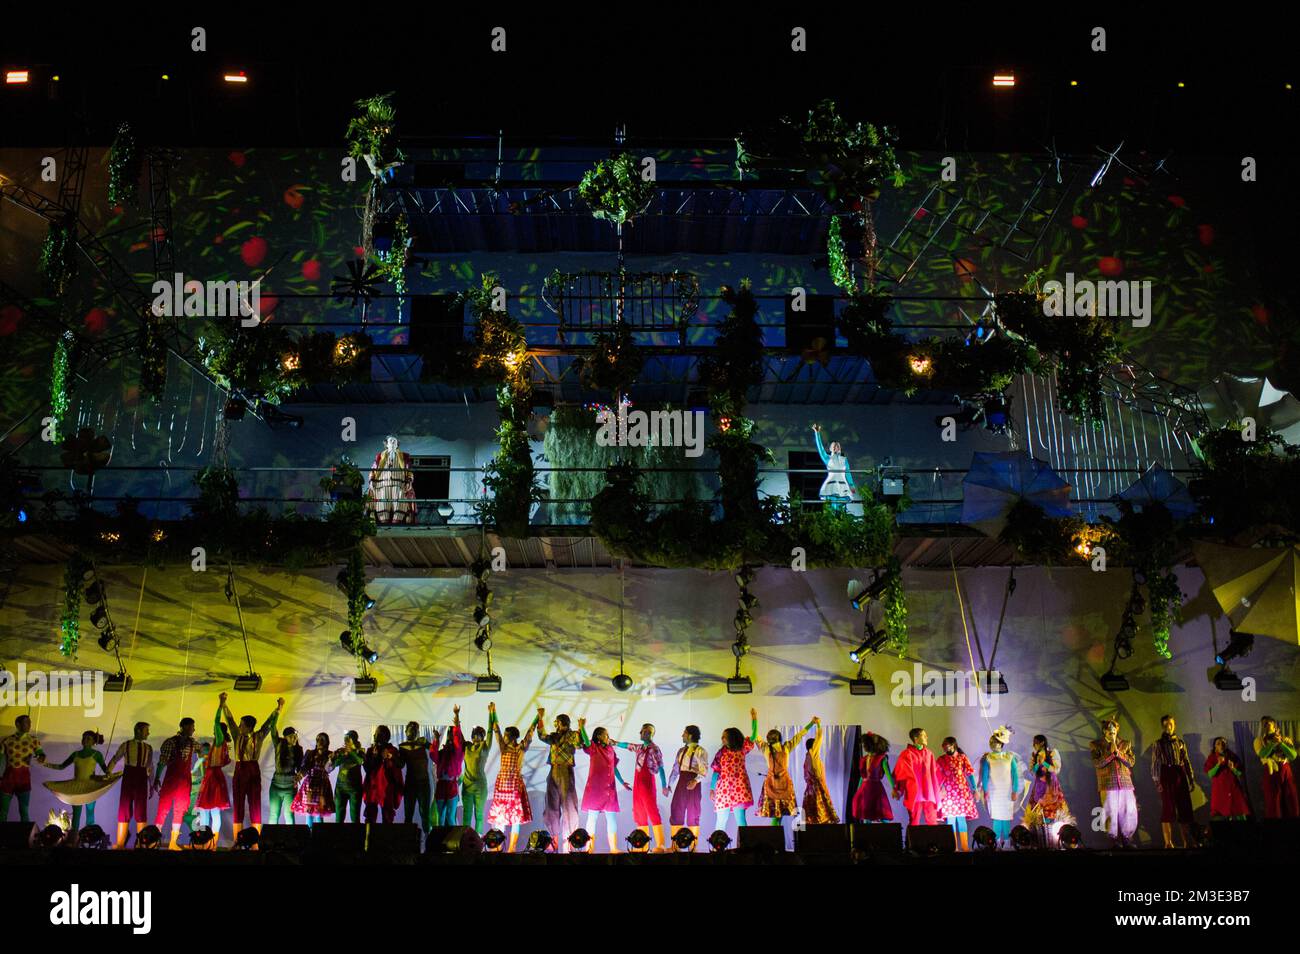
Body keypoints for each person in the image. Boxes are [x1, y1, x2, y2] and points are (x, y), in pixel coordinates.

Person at [220, 692, 282, 842]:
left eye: (242, 724)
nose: (239, 726)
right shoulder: (237, 735)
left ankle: (256, 841)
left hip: (253, 770)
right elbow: (230, 720)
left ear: (248, 727)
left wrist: (278, 708)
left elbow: (268, 723)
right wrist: (223, 704)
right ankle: (237, 839)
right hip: (240, 770)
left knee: (255, 804)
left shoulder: (258, 736)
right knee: (238, 803)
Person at [486, 703, 536, 853]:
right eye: (505, 735)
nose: (504, 737)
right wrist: (493, 713)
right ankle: (497, 847)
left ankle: (512, 848)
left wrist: (536, 719)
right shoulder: (503, 747)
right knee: (500, 818)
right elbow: (496, 730)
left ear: (513, 737)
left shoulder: (520, 748)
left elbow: (529, 735)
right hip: (502, 785)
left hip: (514, 786)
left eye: (507, 735)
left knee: (515, 817)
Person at [752, 708, 813, 827]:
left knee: (775, 814)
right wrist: (812, 723)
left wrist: (754, 719)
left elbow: (755, 736)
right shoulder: (786, 748)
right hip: (784, 784)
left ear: (768, 739)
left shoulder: (766, 748)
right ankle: (792, 838)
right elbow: (800, 735)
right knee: (786, 814)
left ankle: (774, 839)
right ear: (779, 738)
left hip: (771, 784)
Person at [616, 723, 669, 850]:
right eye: (644, 731)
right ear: (640, 732)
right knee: (639, 814)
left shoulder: (654, 749)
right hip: (638, 785)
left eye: (649, 732)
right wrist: (615, 743)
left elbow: (661, 768)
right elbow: (627, 745)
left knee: (652, 812)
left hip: (648, 784)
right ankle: (642, 845)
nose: (646, 734)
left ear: (652, 734)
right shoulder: (639, 748)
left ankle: (660, 844)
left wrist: (664, 785)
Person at [152, 717, 202, 850]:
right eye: (192, 727)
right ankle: (154, 840)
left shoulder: (193, 743)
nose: (194, 729)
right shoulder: (170, 742)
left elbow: (203, 751)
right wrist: (157, 778)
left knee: (179, 811)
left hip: (184, 783)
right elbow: (162, 762)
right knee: (162, 810)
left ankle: (173, 842)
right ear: (184, 727)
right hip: (171, 782)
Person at [579, 720, 628, 853]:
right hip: (595, 789)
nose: (608, 737)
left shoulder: (611, 749)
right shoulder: (594, 747)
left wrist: (622, 781)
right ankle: (589, 848)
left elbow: (614, 768)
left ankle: (613, 848)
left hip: (609, 789)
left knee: (611, 817)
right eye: (606, 735)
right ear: (599, 736)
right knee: (592, 818)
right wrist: (582, 727)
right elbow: (587, 742)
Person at [537, 707, 581, 850]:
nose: (555, 725)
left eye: (557, 722)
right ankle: (553, 839)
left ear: (562, 723)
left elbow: (580, 744)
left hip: (566, 770)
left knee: (569, 806)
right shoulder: (554, 737)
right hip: (554, 770)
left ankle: (569, 840)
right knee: (551, 805)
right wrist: (540, 718)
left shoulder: (573, 735)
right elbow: (542, 736)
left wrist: (581, 728)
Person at [1090, 718, 1138, 848]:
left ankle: (1127, 838)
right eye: (1109, 729)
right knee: (1110, 812)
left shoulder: (1125, 743)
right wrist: (1111, 755)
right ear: (1105, 731)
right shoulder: (1096, 745)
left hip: (1125, 783)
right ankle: (1113, 839)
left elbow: (1131, 762)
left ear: (1117, 729)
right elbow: (1097, 763)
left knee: (1127, 811)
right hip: (1107, 783)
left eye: (1114, 728)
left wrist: (1119, 754)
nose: (1112, 731)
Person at [1150, 715, 1196, 848]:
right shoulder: (1158, 743)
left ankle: (1187, 841)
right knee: (1167, 809)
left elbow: (1186, 761)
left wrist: (1191, 778)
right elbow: (1155, 763)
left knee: (1184, 809)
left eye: (1170, 724)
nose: (1168, 726)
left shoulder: (1180, 743)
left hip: (1179, 774)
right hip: (1166, 774)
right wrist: (1157, 781)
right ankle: (1168, 842)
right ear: (1163, 726)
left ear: (1174, 725)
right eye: (1165, 724)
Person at [49, 731, 108, 830]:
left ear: (94, 742)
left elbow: (105, 770)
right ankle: (74, 837)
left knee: (90, 813)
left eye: (88, 738)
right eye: (83, 738)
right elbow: (61, 766)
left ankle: (90, 836)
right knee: (76, 814)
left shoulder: (96, 754)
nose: (85, 740)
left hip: (91, 787)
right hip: (76, 787)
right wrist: (46, 764)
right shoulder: (75, 754)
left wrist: (109, 770)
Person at [106, 721, 152, 848]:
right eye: (146, 730)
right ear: (138, 730)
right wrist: (108, 772)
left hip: (142, 778)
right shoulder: (125, 745)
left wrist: (152, 784)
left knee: (141, 809)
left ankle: (141, 844)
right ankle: (120, 843)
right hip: (129, 777)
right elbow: (115, 758)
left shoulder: (148, 748)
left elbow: (150, 766)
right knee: (124, 808)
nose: (148, 733)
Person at [978, 726, 1023, 849]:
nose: (994, 744)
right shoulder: (988, 758)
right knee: (997, 817)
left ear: (1001, 743)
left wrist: (1015, 790)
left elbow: (1015, 774)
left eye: (996, 742)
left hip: (1007, 791)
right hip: (994, 792)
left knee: (1006, 817)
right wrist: (985, 791)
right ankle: (996, 841)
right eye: (992, 742)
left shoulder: (1009, 757)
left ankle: (1007, 842)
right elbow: (985, 776)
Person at [1024, 734, 1072, 847]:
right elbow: (1032, 772)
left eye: (1035, 742)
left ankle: (1056, 840)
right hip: (1039, 785)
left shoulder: (1052, 753)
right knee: (1038, 811)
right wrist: (1037, 764)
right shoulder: (1034, 755)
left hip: (1051, 786)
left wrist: (1044, 762)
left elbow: (1056, 769)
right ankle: (1041, 840)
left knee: (1053, 810)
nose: (1033, 745)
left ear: (1041, 743)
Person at [667, 725, 709, 847]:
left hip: (693, 783)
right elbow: (675, 769)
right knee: (676, 810)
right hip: (681, 781)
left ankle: (693, 847)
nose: (682, 735)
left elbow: (704, 770)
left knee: (693, 812)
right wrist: (669, 784)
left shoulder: (700, 751)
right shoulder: (681, 751)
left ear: (690, 735)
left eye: (684, 733)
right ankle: (675, 846)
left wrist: (696, 781)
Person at [195, 701, 232, 841]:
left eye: (215, 729)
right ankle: (207, 840)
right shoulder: (218, 744)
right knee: (209, 810)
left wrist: (220, 705)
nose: (213, 730)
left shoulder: (219, 741)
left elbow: (217, 722)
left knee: (210, 809)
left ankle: (210, 840)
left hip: (213, 777)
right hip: (212, 776)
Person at [0, 715, 47, 823]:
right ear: (18, 724)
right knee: (3, 811)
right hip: (8, 778)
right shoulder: (7, 741)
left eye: (30, 722)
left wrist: (41, 757)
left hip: (23, 779)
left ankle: (25, 838)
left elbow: (41, 753)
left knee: (24, 811)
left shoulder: (33, 740)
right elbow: (1, 759)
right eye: (26, 722)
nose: (29, 725)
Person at [710, 725, 755, 835]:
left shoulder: (742, 748)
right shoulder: (721, 753)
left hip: (739, 788)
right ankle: (718, 846)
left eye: (724, 736)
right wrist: (712, 789)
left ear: (732, 737)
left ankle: (745, 846)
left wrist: (754, 721)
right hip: (723, 789)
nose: (722, 738)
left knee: (740, 820)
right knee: (721, 820)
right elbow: (716, 771)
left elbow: (753, 737)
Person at [893, 727, 941, 827]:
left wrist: (941, 788)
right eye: (923, 735)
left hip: (929, 793)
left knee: (933, 822)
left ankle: (935, 842)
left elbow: (935, 773)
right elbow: (901, 773)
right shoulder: (907, 754)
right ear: (916, 738)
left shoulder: (929, 753)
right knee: (914, 822)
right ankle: (911, 842)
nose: (926, 737)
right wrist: (897, 789)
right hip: (915, 794)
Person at [936, 737, 977, 850]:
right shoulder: (941, 759)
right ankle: (953, 847)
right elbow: (936, 776)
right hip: (948, 794)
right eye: (943, 746)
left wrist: (975, 789)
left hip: (961, 793)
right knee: (951, 819)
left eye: (947, 745)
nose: (945, 748)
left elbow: (970, 774)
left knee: (961, 819)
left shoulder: (962, 757)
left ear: (953, 745)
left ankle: (965, 847)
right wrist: (939, 789)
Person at [1254, 716, 1298, 819]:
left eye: (1267, 724)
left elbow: (1293, 756)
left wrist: (1281, 743)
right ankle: (1275, 831)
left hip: (1286, 770)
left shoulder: (1284, 739)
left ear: (1275, 726)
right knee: (1274, 803)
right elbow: (1262, 754)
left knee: (1291, 800)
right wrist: (1273, 743)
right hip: (1271, 772)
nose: (1265, 726)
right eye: (1263, 724)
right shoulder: (1258, 740)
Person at [367, 434, 417, 525]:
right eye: (391, 440)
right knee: (382, 506)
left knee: (399, 505)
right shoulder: (379, 457)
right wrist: (371, 480)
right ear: (386, 444)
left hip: (399, 484)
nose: (393, 442)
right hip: (382, 485)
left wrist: (409, 480)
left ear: (397, 444)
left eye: (395, 441)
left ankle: (396, 524)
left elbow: (409, 471)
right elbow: (373, 470)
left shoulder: (404, 457)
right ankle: (384, 523)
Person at [461, 709, 496, 833]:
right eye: (474, 734)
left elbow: (490, 731)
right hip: (467, 785)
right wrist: (456, 719)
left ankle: (478, 841)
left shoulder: (484, 746)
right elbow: (457, 737)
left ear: (482, 736)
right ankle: (463, 839)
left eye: (479, 734)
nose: (476, 736)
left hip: (480, 786)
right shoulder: (466, 746)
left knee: (479, 815)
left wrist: (491, 713)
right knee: (466, 815)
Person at [802, 717, 839, 824]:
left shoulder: (807, 757)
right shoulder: (813, 753)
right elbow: (819, 737)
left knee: (813, 816)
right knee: (821, 814)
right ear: (814, 746)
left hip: (810, 790)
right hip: (816, 789)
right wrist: (818, 724)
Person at [293, 733, 336, 826]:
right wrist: (299, 776)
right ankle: (308, 835)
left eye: (322, 739)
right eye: (318, 739)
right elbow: (304, 768)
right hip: (310, 785)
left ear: (327, 742)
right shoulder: (310, 753)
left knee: (319, 813)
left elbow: (329, 769)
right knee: (309, 813)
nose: (319, 742)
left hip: (322, 786)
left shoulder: (330, 755)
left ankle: (318, 836)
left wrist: (330, 761)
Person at [810, 424, 857, 510]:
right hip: (831, 485)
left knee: (841, 508)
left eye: (838, 446)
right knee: (832, 508)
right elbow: (820, 448)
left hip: (842, 486)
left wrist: (852, 485)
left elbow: (848, 473)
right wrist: (817, 433)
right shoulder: (827, 458)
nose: (836, 447)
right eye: (834, 446)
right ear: (831, 448)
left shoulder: (844, 460)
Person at [851, 731, 895, 823]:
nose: (864, 747)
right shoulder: (864, 759)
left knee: (881, 813)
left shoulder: (881, 758)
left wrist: (894, 788)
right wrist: (857, 791)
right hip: (864, 788)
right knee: (866, 814)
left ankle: (890, 832)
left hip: (875, 788)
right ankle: (868, 835)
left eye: (865, 744)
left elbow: (888, 774)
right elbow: (862, 776)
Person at [363, 725, 403, 824]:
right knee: (370, 817)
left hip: (386, 788)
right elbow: (367, 768)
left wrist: (391, 757)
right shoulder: (370, 750)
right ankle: (369, 838)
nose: (374, 735)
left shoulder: (392, 750)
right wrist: (375, 757)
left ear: (383, 736)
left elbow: (400, 764)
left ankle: (386, 838)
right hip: (373, 788)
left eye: (376, 733)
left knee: (387, 817)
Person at [398, 720, 433, 831]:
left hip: (423, 784)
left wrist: (428, 743)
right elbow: (400, 764)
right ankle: (407, 842)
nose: (411, 731)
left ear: (417, 731)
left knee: (425, 816)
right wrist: (392, 757)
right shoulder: (402, 746)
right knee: (408, 815)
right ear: (406, 731)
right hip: (410, 784)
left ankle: (428, 841)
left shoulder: (423, 743)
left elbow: (435, 752)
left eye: (414, 729)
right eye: (410, 729)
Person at [1204, 737, 1250, 821]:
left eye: (1223, 743)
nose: (1221, 745)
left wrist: (1233, 768)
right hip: (1220, 791)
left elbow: (1239, 773)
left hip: (1234, 790)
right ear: (1215, 747)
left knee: (1240, 813)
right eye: (1218, 743)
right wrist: (1218, 764)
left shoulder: (1232, 756)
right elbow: (1210, 774)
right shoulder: (1212, 758)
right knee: (1223, 816)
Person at [434, 707, 466, 827]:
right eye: (449, 735)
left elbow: (458, 738)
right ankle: (440, 840)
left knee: (450, 817)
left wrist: (457, 718)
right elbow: (433, 755)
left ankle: (452, 842)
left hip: (451, 786)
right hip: (441, 785)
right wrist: (436, 740)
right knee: (441, 817)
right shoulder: (443, 752)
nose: (451, 737)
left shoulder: (458, 752)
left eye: (452, 735)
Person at [269, 724, 303, 825]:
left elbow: (301, 767)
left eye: (295, 736)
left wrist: (300, 775)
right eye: (292, 736)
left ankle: (291, 839)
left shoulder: (298, 749)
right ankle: (271, 839)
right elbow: (273, 730)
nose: (295, 738)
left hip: (290, 787)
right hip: (276, 786)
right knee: (274, 815)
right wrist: (276, 713)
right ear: (285, 737)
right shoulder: (279, 744)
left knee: (289, 815)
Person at [331, 732, 364, 823]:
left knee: (355, 817)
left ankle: (356, 836)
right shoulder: (342, 751)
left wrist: (351, 752)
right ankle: (339, 837)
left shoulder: (360, 751)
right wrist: (336, 756)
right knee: (339, 818)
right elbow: (335, 764)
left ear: (354, 740)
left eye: (348, 738)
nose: (346, 741)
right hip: (340, 788)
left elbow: (360, 761)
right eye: (345, 738)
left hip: (355, 789)